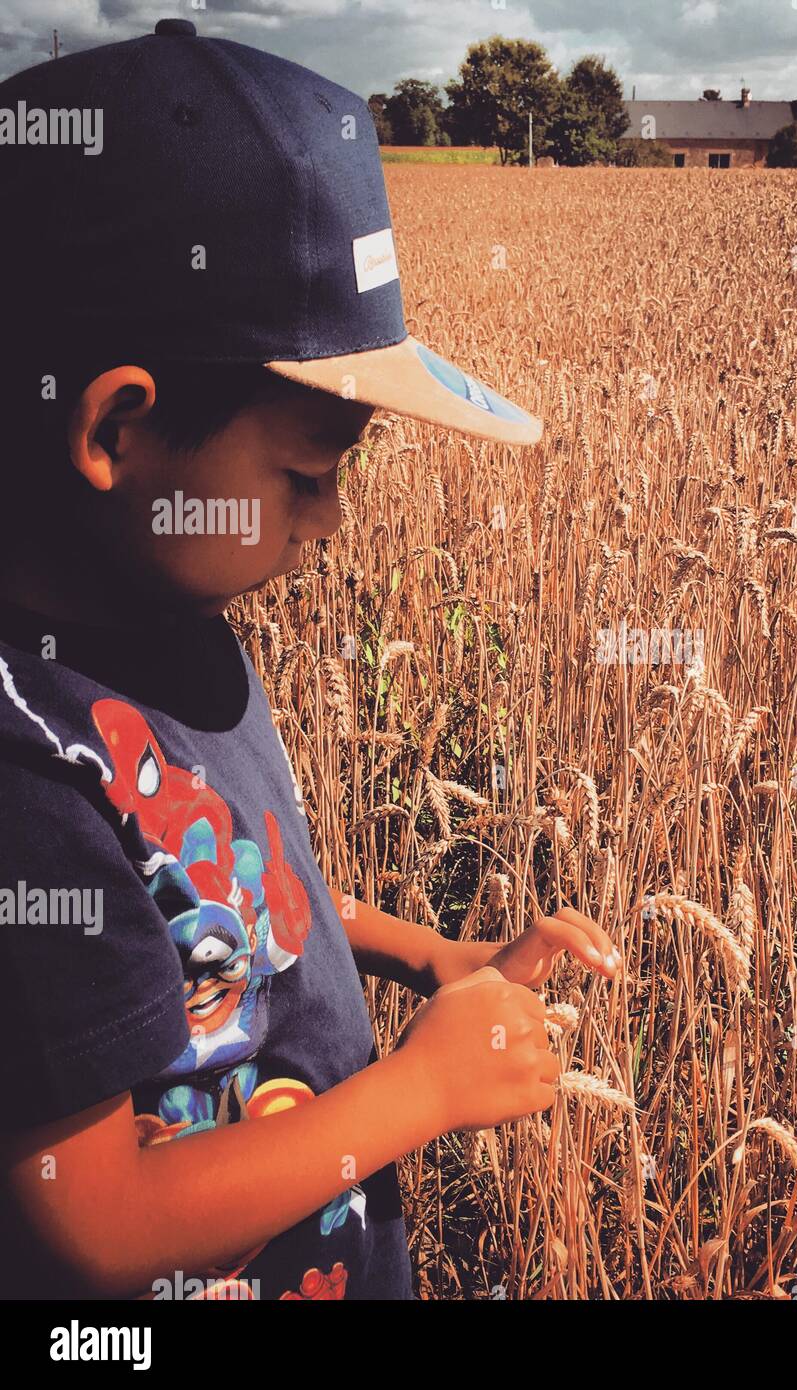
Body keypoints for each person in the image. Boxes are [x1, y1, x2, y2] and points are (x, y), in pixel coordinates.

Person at [0, 18, 618, 1300]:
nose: (330, 521)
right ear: (118, 425)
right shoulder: (28, 772)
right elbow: (94, 1226)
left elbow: (228, 905)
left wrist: (417, 955)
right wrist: (423, 1089)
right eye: (305, 473)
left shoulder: (170, 631)